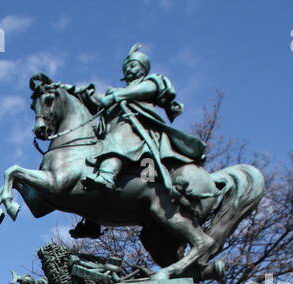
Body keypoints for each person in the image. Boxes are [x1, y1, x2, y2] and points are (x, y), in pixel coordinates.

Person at [81, 43, 204, 196]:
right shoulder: (117, 91)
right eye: (126, 67)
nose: (129, 69)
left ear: (143, 69)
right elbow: (98, 101)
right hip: (112, 127)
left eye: (133, 65)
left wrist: (115, 97)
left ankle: (107, 175)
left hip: (137, 127)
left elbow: (146, 90)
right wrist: (76, 91)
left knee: (120, 135)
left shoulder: (151, 81)